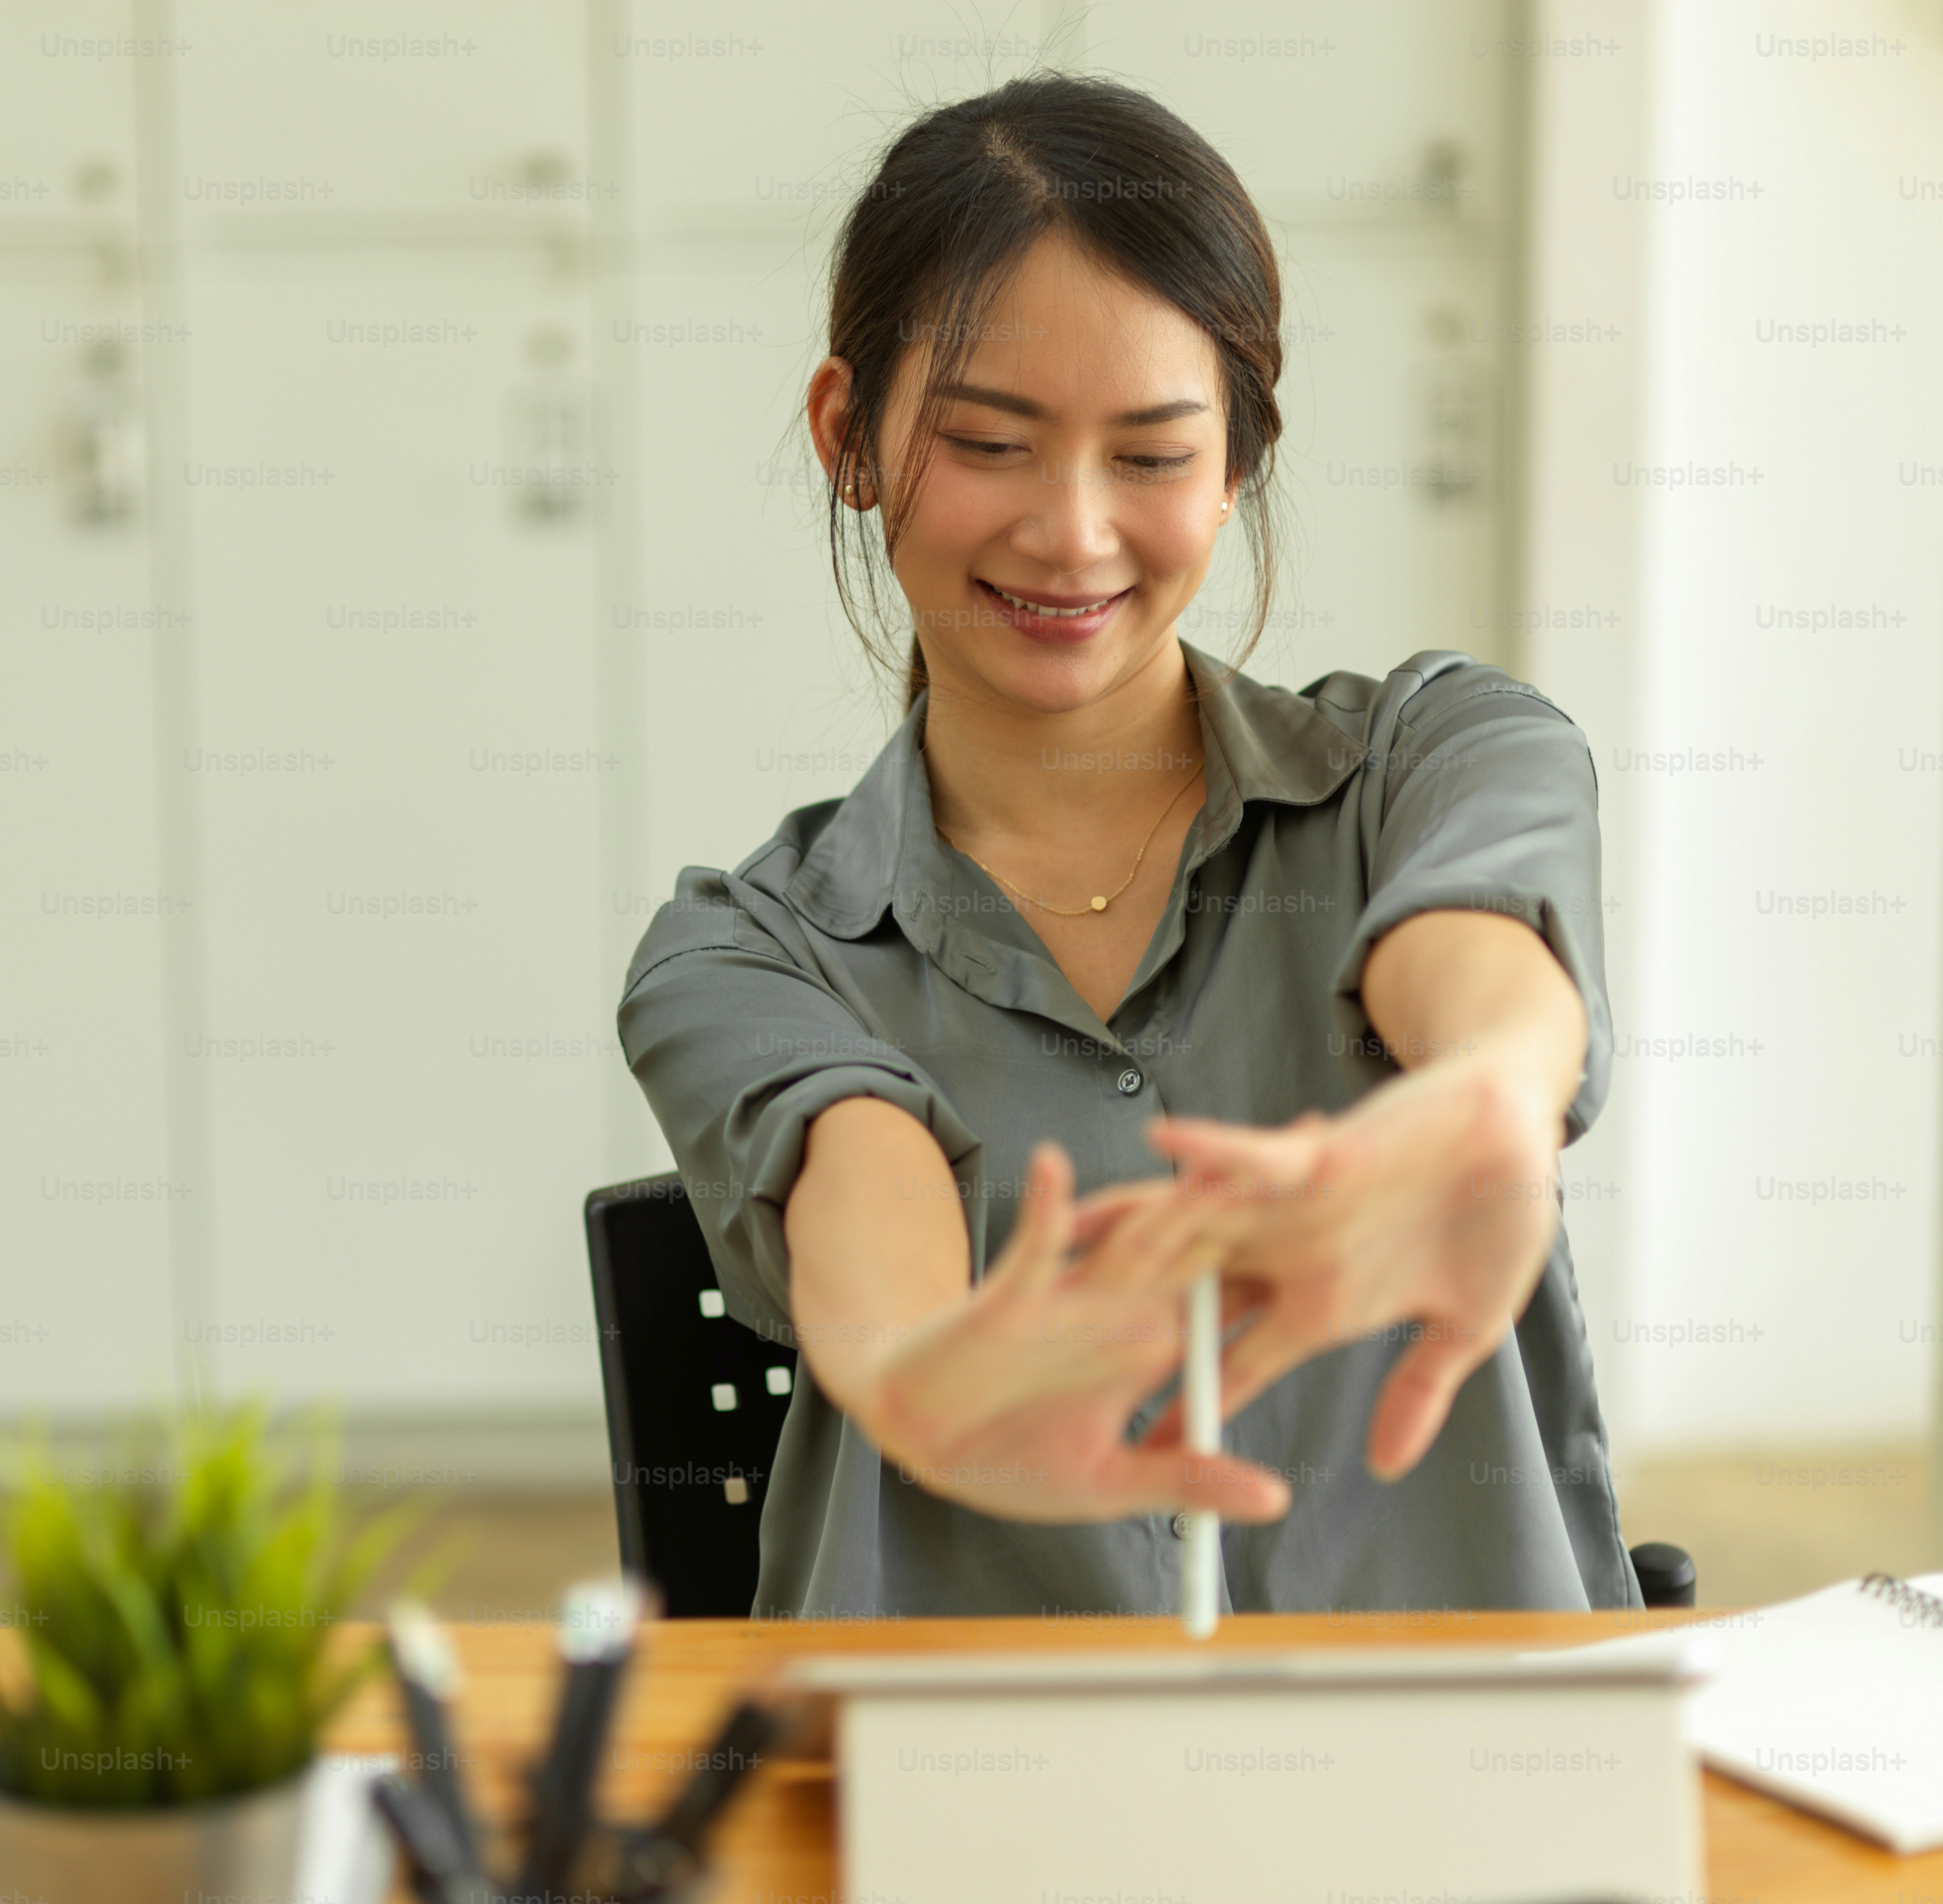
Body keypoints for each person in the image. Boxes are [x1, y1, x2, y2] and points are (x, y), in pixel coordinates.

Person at [616, 72, 1636, 1620]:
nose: (1072, 532)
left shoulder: (1437, 759)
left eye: (1152, 455)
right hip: (974, 1803)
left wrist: (1486, 1100)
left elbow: (1475, 958)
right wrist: (915, 1368)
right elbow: (859, 1176)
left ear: (1237, 463)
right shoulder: (743, 952)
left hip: (1475, 1788)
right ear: (852, 438)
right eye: (988, 442)